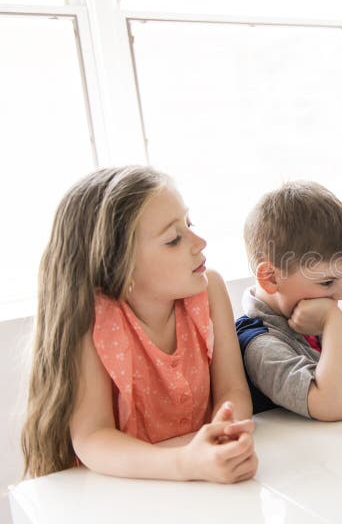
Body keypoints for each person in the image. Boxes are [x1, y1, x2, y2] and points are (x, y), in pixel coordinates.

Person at [21, 166, 258, 483]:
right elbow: (92, 437)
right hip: (122, 493)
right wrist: (184, 463)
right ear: (121, 267)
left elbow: (233, 389)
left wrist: (225, 434)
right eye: (174, 238)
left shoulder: (209, 289)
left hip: (201, 485)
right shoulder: (94, 321)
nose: (199, 241)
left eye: (189, 224)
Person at [236, 180, 342, 422]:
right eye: (327, 282)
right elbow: (334, 406)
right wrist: (334, 320)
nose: (341, 294)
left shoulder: (305, 319)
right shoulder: (260, 345)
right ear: (271, 277)